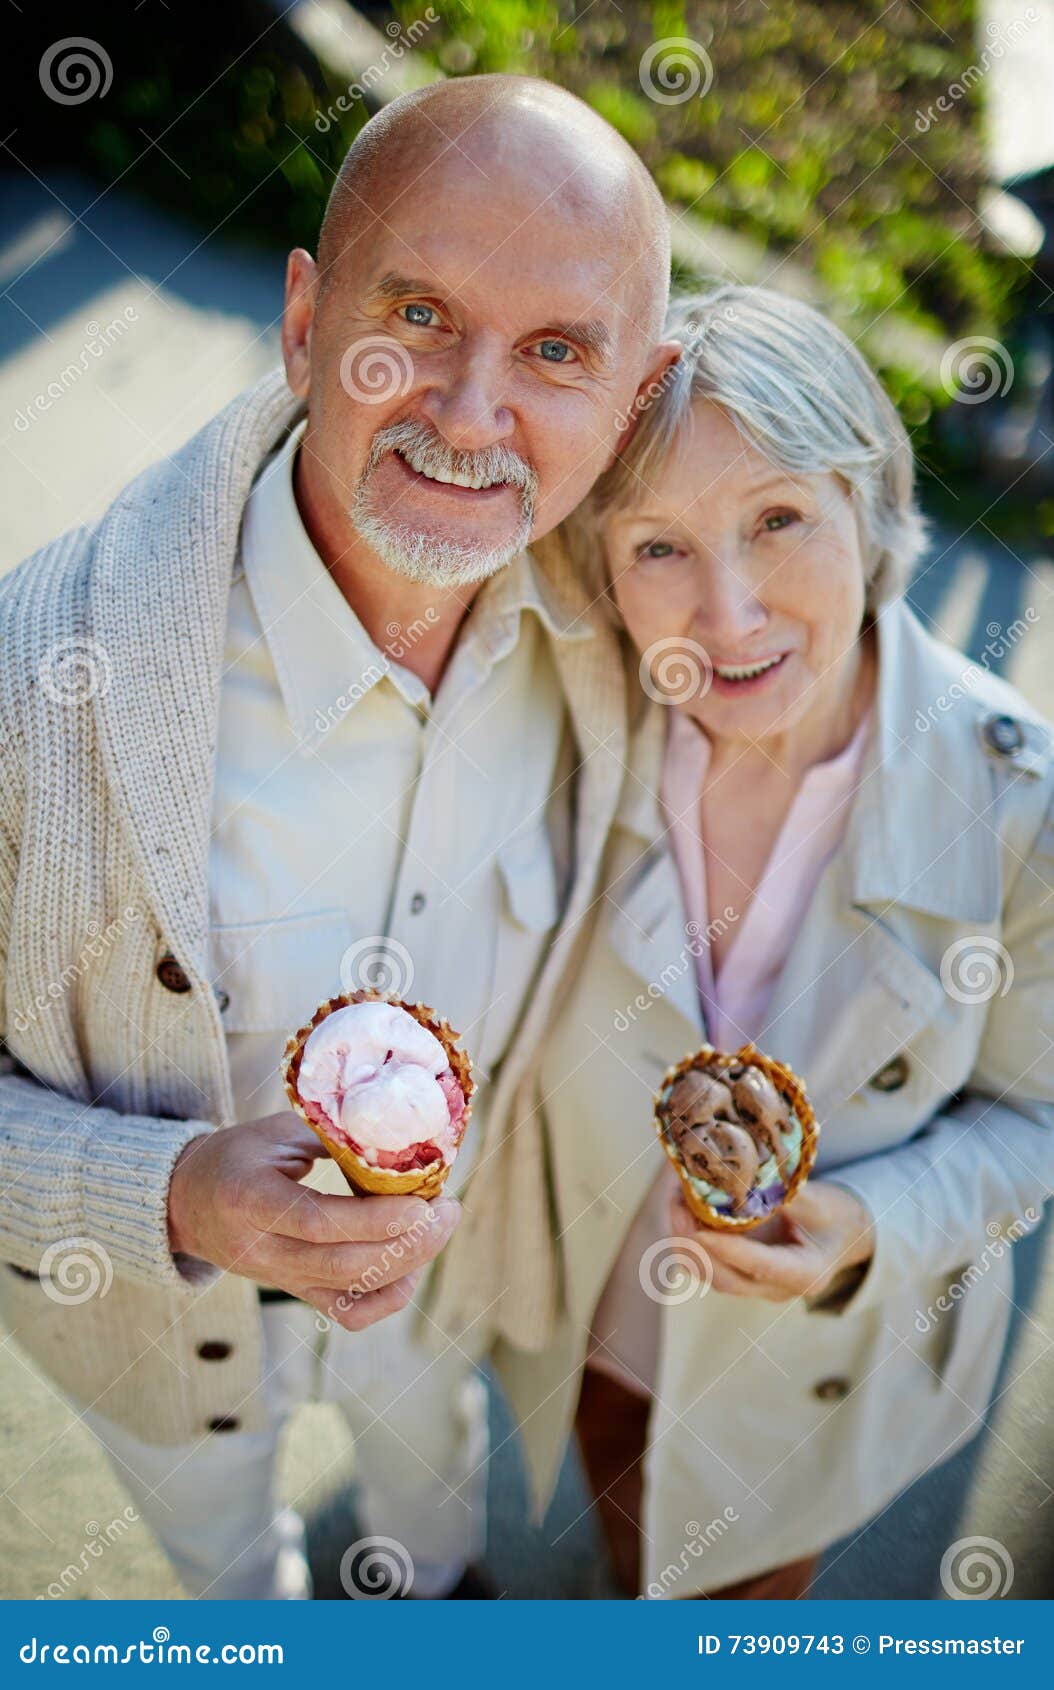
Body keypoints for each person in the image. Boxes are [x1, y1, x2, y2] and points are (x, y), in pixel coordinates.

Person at [0, 74, 678, 1599]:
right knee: (240, 1583)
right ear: (305, 320)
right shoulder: (37, 682)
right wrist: (170, 1192)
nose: (467, 410)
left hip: (441, 1299)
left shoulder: (628, 647)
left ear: (637, 398)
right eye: (417, 313)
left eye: (557, 350)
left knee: (428, 1527)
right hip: (161, 1356)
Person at [498, 285, 1054, 1598]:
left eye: (778, 519)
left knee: (734, 1588)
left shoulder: (1017, 805)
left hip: (803, 1338)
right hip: (599, 1282)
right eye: (657, 548)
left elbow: (1032, 1115)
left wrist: (861, 1221)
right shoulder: (584, 723)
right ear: (599, 566)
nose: (730, 612)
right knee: (619, 1495)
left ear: (864, 506)